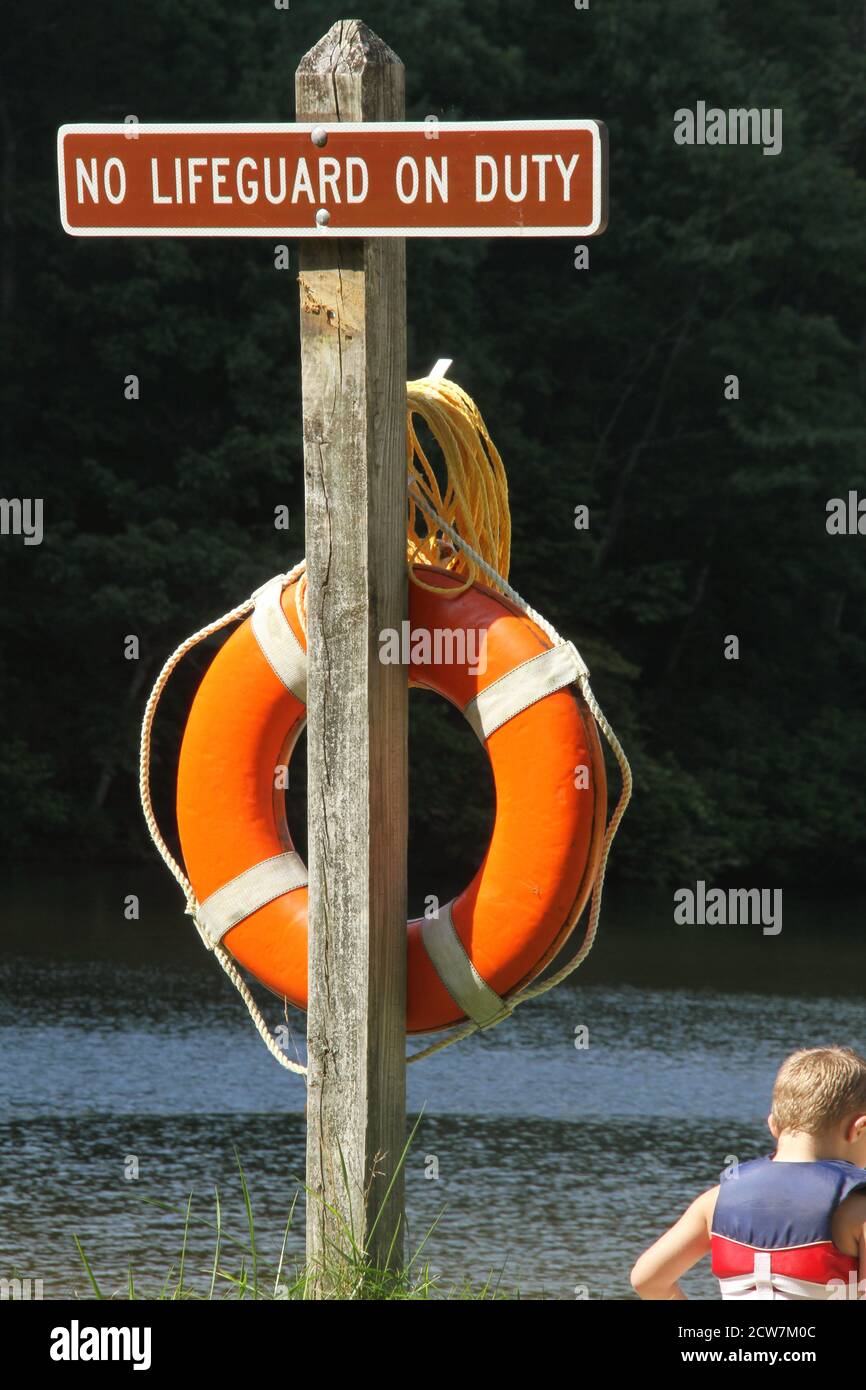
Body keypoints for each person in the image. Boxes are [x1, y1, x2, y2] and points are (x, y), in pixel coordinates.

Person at [630, 1045, 866, 1300]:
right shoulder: (857, 1210)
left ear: (773, 1125)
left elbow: (647, 1280)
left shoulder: (715, 1201)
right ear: (859, 1128)